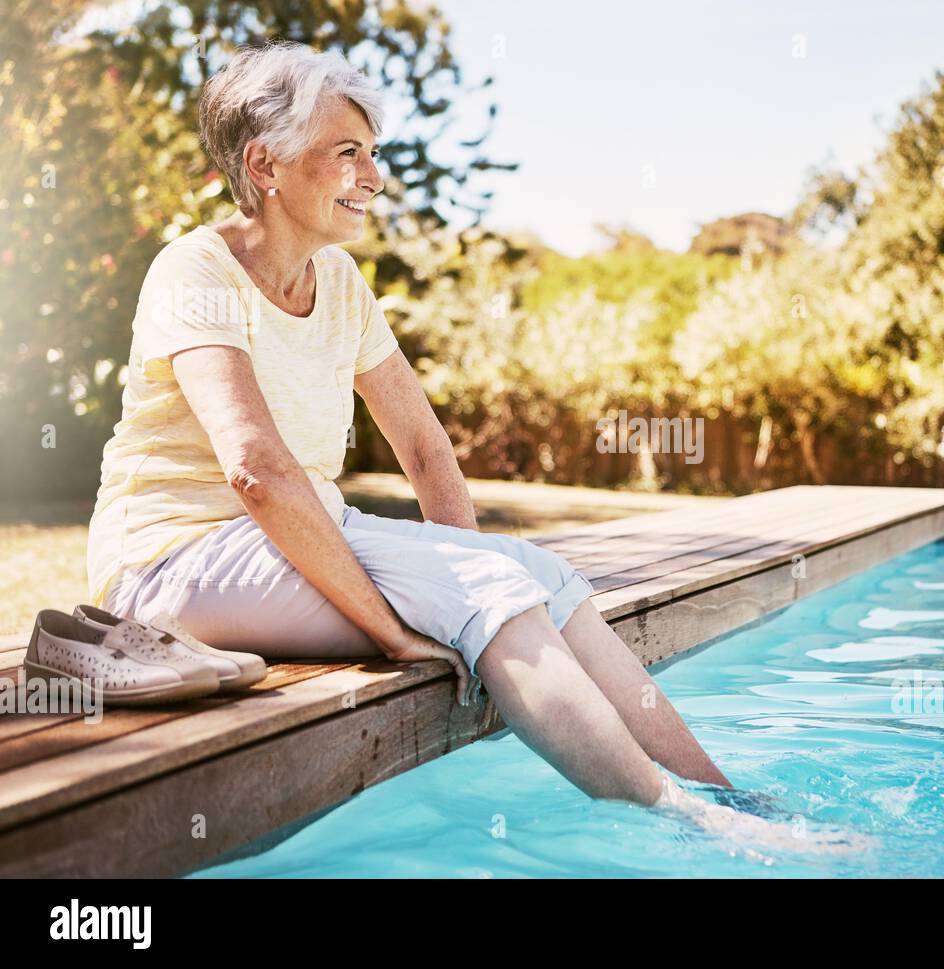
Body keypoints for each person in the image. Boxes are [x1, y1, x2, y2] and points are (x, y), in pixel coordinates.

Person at [84, 41, 732, 812]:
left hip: (296, 538)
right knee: (488, 590)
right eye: (348, 152)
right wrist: (404, 629)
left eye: (374, 153)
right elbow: (256, 467)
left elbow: (423, 447)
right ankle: (693, 826)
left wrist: (469, 563)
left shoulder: (341, 282)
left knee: (542, 574)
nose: (374, 178)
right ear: (264, 166)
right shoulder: (195, 271)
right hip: (169, 564)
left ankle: (728, 799)